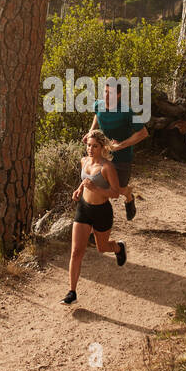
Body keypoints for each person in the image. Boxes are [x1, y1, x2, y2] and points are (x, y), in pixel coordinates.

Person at [62, 130, 127, 305]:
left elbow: (115, 193)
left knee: (102, 247)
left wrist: (96, 189)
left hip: (102, 212)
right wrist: (79, 189)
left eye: (95, 146)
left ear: (102, 147)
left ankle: (119, 248)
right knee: (76, 252)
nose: (90, 149)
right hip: (83, 209)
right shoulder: (84, 161)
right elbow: (86, 180)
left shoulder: (107, 168)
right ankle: (72, 292)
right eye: (88, 145)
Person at [90, 78, 149, 220]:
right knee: (100, 188)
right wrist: (91, 132)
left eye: (110, 93)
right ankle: (96, 226)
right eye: (105, 92)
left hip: (122, 158)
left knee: (120, 189)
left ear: (118, 95)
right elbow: (97, 115)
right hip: (103, 156)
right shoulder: (98, 105)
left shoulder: (126, 112)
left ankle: (129, 196)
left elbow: (143, 133)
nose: (106, 96)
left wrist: (120, 145)